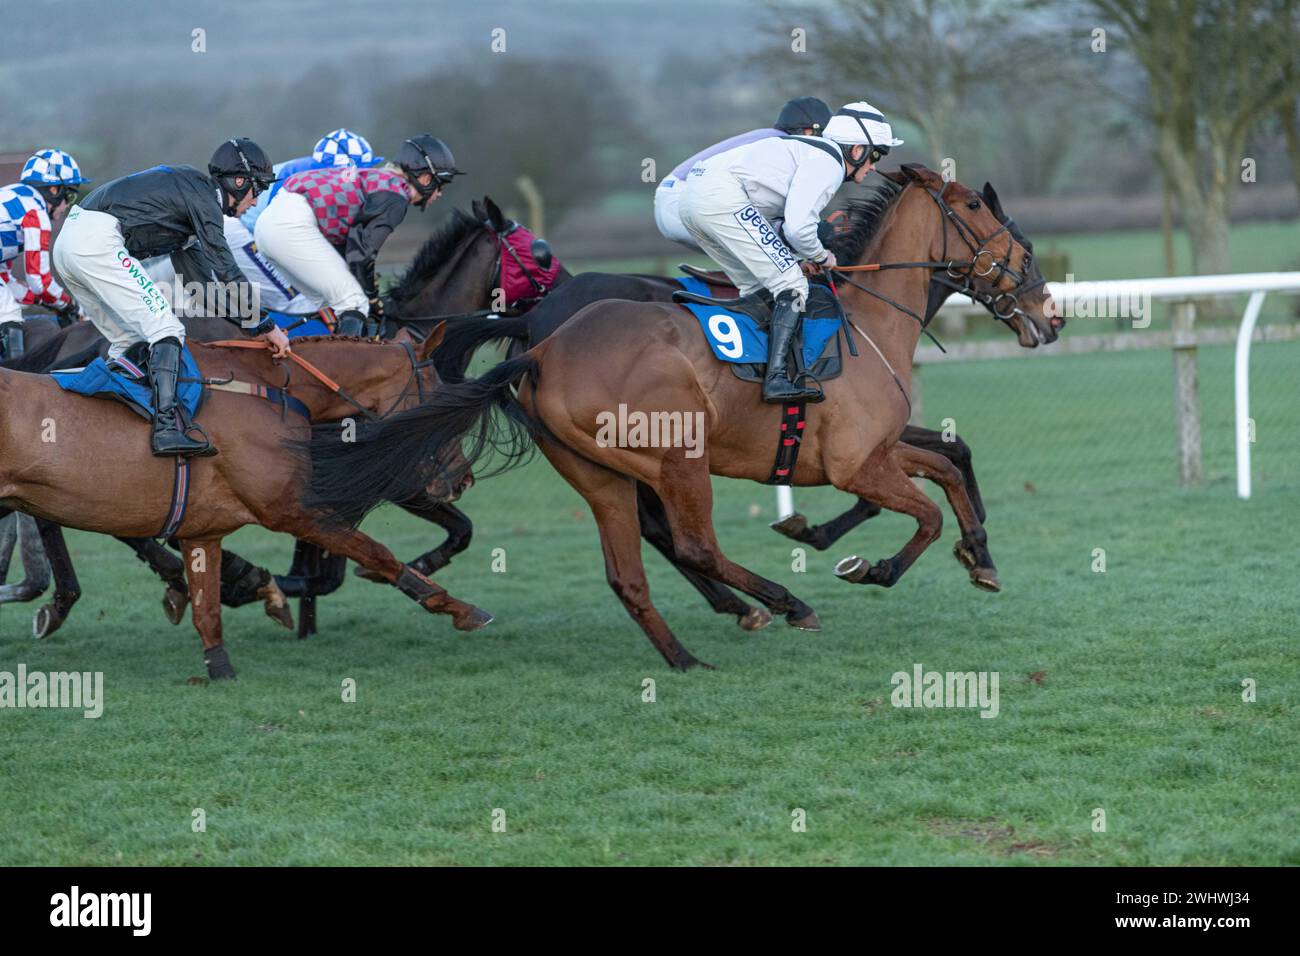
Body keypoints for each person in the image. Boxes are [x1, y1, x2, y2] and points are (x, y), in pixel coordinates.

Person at [52, 138, 291, 457]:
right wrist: (267, 324)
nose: (255, 201)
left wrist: (253, 329)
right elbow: (228, 268)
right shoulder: (203, 198)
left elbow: (204, 292)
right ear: (239, 181)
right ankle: (166, 429)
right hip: (94, 241)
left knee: (127, 343)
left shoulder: (189, 212)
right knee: (167, 328)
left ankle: (106, 426)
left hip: (69, 245)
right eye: (257, 190)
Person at [676, 101, 903, 402]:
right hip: (720, 198)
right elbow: (798, 228)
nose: (874, 166)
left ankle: (750, 372)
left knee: (758, 286)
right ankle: (777, 379)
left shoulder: (811, 151)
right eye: (876, 154)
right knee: (792, 285)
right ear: (857, 150)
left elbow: (781, 226)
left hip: (693, 200)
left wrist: (801, 258)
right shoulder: (830, 162)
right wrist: (822, 256)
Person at [253, 134, 462, 338]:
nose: (439, 193)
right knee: (354, 301)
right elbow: (361, 255)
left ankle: (322, 364)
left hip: (269, 226)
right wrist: (371, 297)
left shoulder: (379, 182)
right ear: (425, 179)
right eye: (440, 185)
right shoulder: (395, 195)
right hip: (289, 225)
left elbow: (352, 247)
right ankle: (347, 372)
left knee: (331, 304)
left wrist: (368, 289)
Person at [654, 97, 831, 249]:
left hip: (673, 197)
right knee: (776, 264)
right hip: (685, 201)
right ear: (808, 130)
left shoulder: (769, 137)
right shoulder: (781, 145)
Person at [0, 149, 88, 357]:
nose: (67, 206)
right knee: (8, 314)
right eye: (69, 195)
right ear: (54, 190)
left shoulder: (11, 195)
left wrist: (47, 302)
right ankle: (13, 387)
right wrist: (70, 306)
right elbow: (39, 281)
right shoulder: (35, 213)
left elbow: (5, 280)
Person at [240, 128, 381, 233]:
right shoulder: (297, 177)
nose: (363, 177)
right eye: (361, 171)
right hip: (245, 228)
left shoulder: (313, 171)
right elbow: (275, 226)